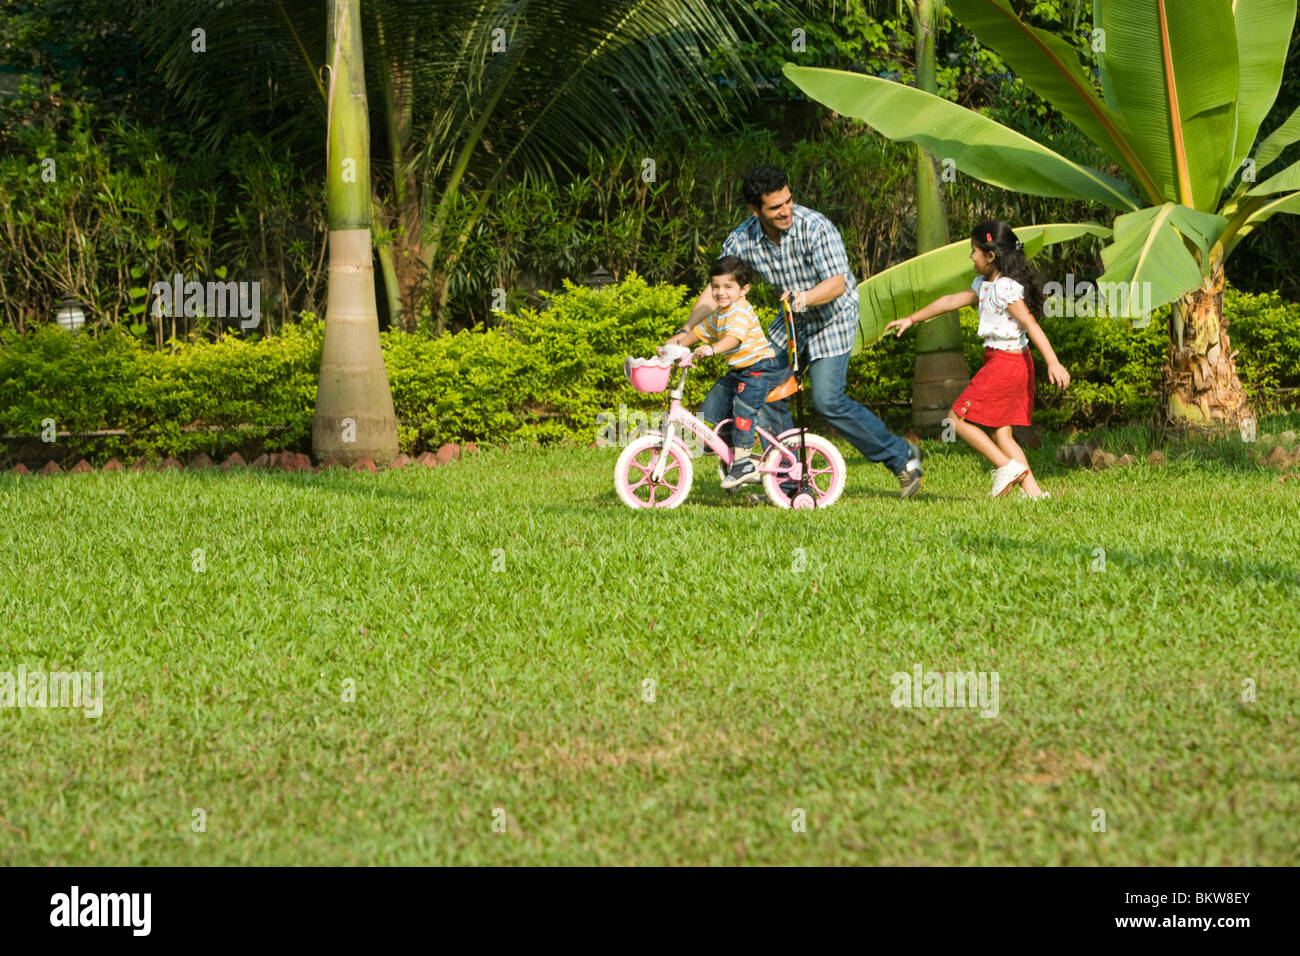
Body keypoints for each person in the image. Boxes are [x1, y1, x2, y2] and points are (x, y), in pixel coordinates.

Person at [677, 165, 925, 498]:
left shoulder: (815, 227)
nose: (785, 211)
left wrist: (803, 298)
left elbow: (837, 283)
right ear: (756, 210)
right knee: (760, 383)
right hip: (792, 320)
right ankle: (788, 477)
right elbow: (716, 289)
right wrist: (687, 328)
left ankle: (903, 457)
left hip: (833, 317)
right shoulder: (742, 238)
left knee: (827, 400)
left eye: (788, 201)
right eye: (774, 207)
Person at [883, 220, 1070, 499]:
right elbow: (949, 301)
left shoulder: (1004, 288)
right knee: (1002, 435)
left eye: (974, 251)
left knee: (955, 420)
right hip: (1008, 361)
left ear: (990, 256)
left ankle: (1006, 466)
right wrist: (912, 318)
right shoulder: (985, 285)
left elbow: (1031, 324)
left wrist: (1054, 363)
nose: (971, 256)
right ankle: (1034, 493)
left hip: (1006, 363)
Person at [662, 256, 791, 489]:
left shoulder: (740, 311)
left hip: (758, 370)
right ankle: (726, 446)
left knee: (744, 409)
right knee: (717, 396)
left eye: (728, 287)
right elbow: (700, 332)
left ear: (744, 290)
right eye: (716, 287)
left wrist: (713, 349)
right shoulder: (720, 313)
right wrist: (678, 343)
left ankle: (742, 463)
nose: (721, 292)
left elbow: (733, 338)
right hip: (741, 370)